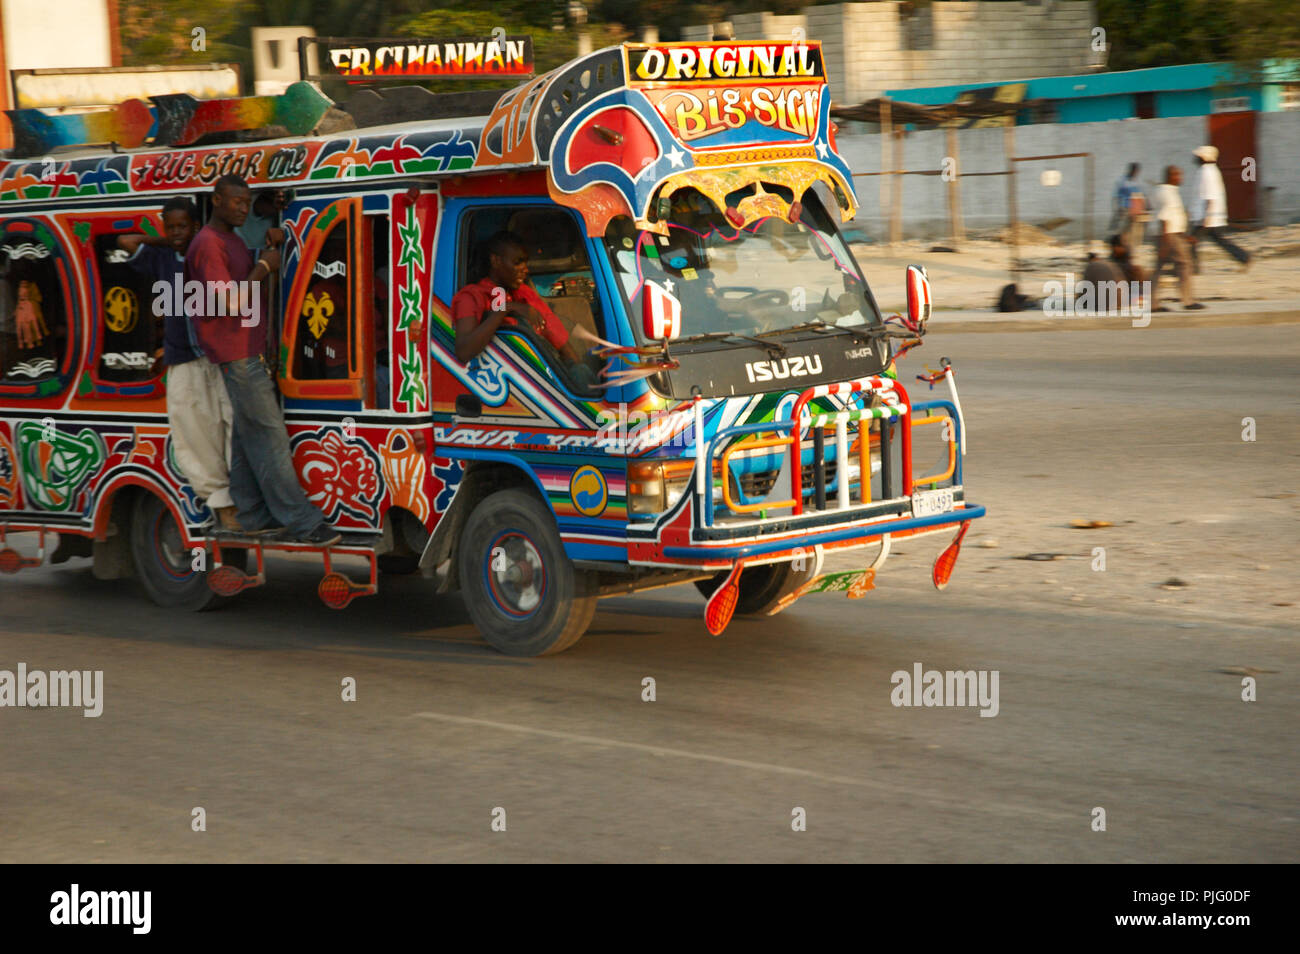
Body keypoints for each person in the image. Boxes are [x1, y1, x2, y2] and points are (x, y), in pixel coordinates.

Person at [186, 174, 340, 545]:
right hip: (238, 355)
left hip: (247, 352)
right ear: (217, 199)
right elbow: (231, 302)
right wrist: (266, 266)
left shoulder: (231, 240)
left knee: (246, 437)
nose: (242, 208)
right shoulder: (208, 244)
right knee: (269, 437)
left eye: (246, 202)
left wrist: (266, 249)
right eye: (236, 202)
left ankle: (252, 515)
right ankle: (304, 523)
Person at [117, 197, 240, 532]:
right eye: (169, 226)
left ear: (196, 226)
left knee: (234, 422)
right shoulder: (160, 256)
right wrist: (164, 239)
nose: (175, 232)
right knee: (195, 433)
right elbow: (124, 241)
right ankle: (223, 504)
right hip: (181, 358)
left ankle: (244, 498)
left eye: (182, 226)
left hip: (220, 355)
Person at [450, 231, 592, 386]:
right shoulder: (472, 297)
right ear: (495, 261)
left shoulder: (524, 294)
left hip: (548, 376)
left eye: (525, 262)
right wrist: (507, 309)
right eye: (518, 262)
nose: (525, 269)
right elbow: (464, 351)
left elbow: (557, 337)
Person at [1150, 166, 1203, 312]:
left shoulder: (1162, 190)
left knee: (1159, 267)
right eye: (1177, 175)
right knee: (1184, 264)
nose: (1180, 177)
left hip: (1170, 234)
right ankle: (1188, 301)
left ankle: (1153, 303)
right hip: (1169, 235)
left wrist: (1185, 237)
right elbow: (1164, 218)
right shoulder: (1168, 193)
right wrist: (1166, 242)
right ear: (1170, 176)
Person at [1190, 145, 1250, 272]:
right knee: (1219, 240)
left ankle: (1193, 268)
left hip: (1206, 216)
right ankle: (1244, 257)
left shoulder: (1206, 172)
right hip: (1211, 216)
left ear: (1204, 157)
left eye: (1198, 156)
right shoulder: (1211, 170)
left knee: (1192, 241)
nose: (1196, 158)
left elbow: (1209, 195)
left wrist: (1205, 218)